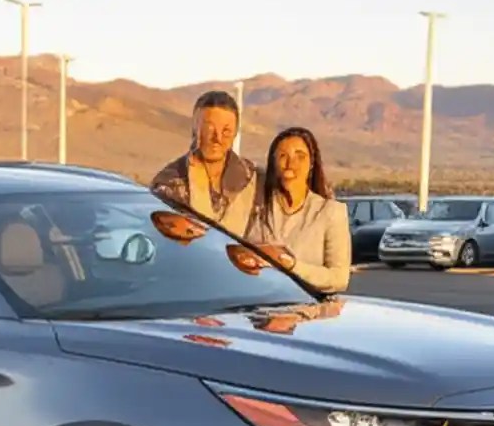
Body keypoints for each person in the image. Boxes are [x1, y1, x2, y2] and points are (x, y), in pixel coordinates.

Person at [246, 126, 351, 293]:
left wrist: (291, 265)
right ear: (273, 163)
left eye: (300, 157)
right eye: (282, 156)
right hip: (259, 307)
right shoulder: (256, 209)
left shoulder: (330, 212)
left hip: (310, 311)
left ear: (311, 164)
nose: (290, 164)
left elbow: (339, 278)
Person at [150, 90, 261, 238]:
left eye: (226, 131)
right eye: (209, 128)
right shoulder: (168, 184)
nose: (217, 138)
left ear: (235, 133)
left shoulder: (255, 180)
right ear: (194, 129)